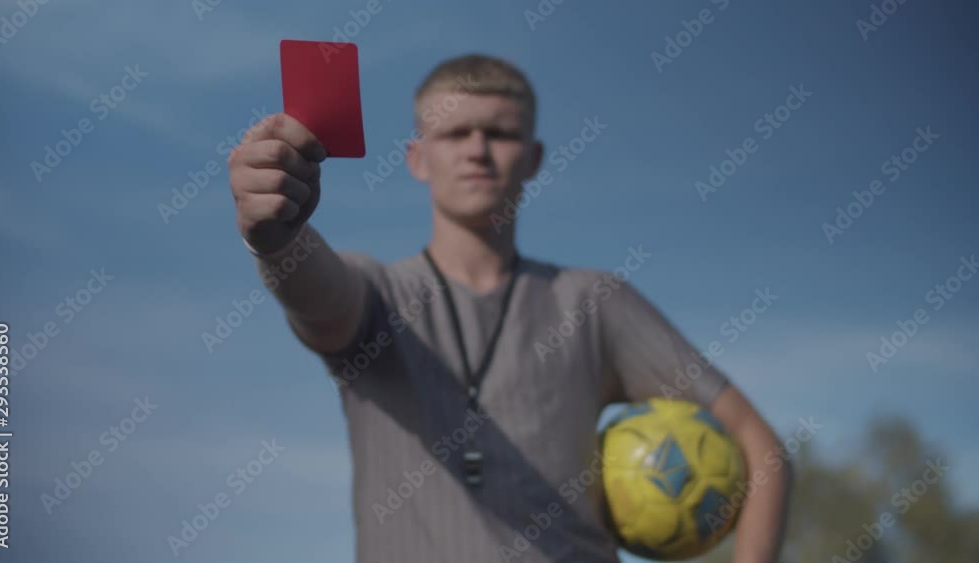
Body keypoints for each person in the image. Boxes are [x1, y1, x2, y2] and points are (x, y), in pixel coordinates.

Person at [227, 53, 791, 563]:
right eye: (455, 133)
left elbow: (760, 448)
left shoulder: (594, 303)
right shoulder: (378, 296)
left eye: (499, 133)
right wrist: (278, 237)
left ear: (534, 157)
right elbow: (318, 296)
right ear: (418, 158)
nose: (477, 150)